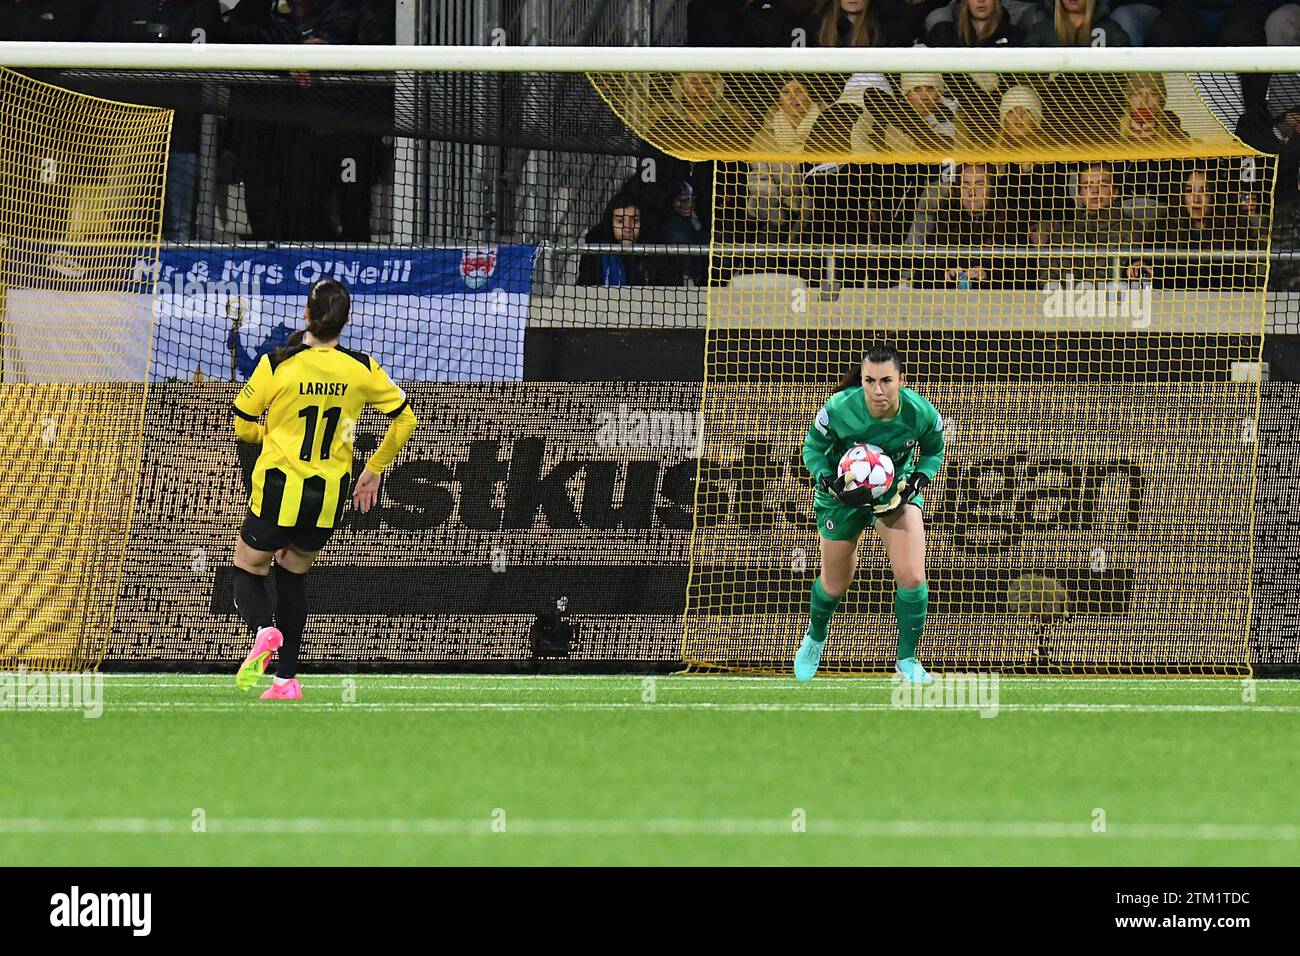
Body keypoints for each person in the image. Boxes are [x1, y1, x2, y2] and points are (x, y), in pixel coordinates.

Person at [231, 279, 418, 699]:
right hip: (329, 494)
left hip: (280, 487)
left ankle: (264, 631)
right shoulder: (362, 368)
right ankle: (286, 681)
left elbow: (243, 423)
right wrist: (373, 470)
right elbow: (406, 419)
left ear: (305, 315)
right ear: (346, 321)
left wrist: (271, 435)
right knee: (294, 576)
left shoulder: (277, 364)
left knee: (248, 567)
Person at [795, 344, 946, 684]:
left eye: (886, 381)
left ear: (901, 380)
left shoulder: (921, 413)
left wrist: (919, 479)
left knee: (912, 576)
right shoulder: (838, 408)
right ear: (861, 381)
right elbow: (813, 449)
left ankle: (907, 660)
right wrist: (829, 481)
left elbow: (934, 450)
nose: (878, 390)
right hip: (842, 497)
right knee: (835, 584)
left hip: (895, 496)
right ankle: (815, 637)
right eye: (869, 381)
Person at [87, 0, 225, 242]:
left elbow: (203, 56)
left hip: (182, 133)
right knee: (121, 222)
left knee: (178, 228)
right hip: (128, 130)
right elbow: (99, 51)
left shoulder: (202, 6)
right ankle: (122, 278)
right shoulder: (117, 6)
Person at [577, 195, 667, 286]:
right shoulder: (595, 249)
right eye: (620, 221)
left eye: (635, 221)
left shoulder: (654, 250)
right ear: (611, 223)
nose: (627, 228)